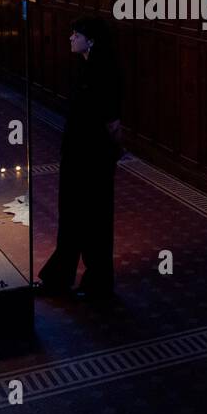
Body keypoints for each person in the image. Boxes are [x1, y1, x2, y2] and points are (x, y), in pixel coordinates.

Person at [38, 16, 123, 300]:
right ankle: (64, 277)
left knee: (94, 218)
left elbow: (112, 120)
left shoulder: (103, 71)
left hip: (93, 156)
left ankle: (95, 281)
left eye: (76, 34)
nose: (70, 38)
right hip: (78, 153)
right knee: (73, 215)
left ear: (92, 40)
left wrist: (110, 151)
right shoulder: (85, 68)